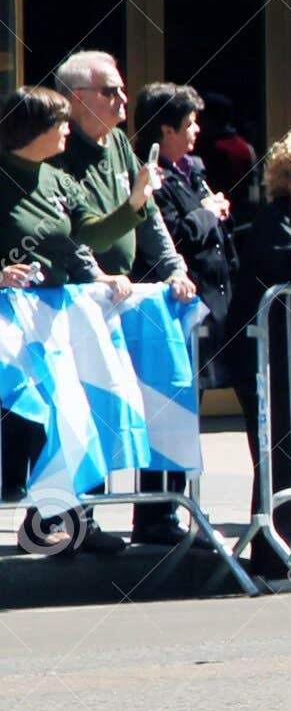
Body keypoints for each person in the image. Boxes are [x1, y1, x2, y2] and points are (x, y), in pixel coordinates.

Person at [49, 51, 196, 555]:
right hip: (77, 301)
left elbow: (147, 213)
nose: (122, 100)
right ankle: (75, 520)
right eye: (110, 91)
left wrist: (174, 268)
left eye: (121, 89)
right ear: (76, 99)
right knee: (83, 406)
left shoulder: (118, 146)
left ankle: (157, 514)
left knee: (157, 395)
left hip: (125, 295)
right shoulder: (58, 149)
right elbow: (67, 226)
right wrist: (94, 276)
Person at [0, 85, 148, 550]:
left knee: (70, 418)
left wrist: (137, 203)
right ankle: (41, 519)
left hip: (54, 320)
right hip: (8, 325)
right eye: (59, 121)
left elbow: (92, 236)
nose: (68, 129)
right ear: (33, 128)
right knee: (20, 420)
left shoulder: (58, 180)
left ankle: (68, 525)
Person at [129, 82, 239, 545]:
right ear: (165, 129)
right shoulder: (147, 175)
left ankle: (177, 504)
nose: (196, 131)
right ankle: (154, 515)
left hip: (206, 302)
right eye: (188, 123)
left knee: (184, 409)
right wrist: (208, 213)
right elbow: (169, 236)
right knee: (163, 411)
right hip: (168, 308)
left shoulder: (191, 170)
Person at [224, 127, 291, 579]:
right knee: (277, 453)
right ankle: (275, 557)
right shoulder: (275, 220)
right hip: (267, 356)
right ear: (287, 176)